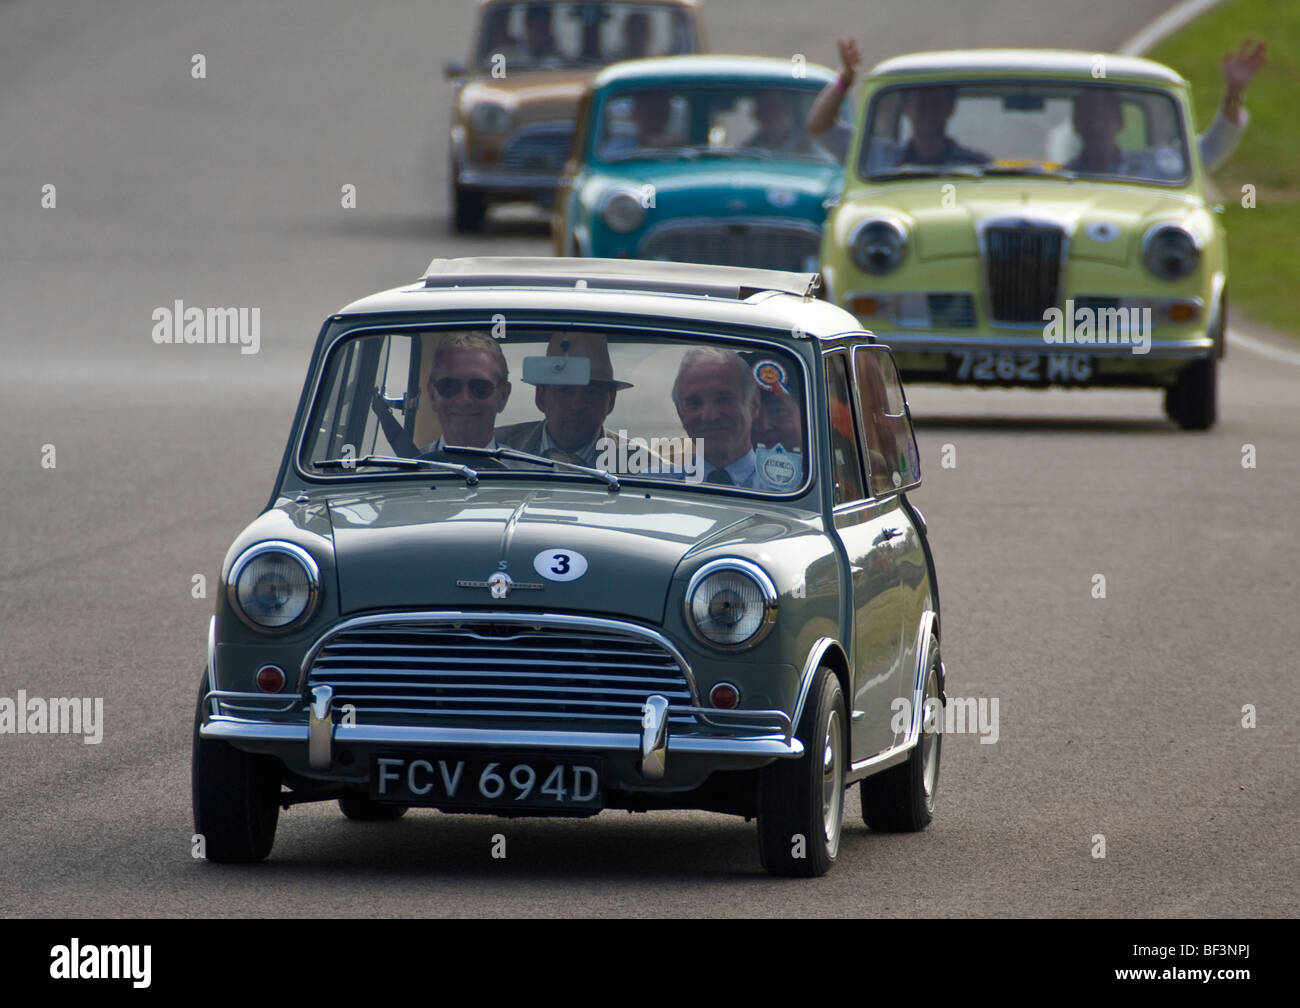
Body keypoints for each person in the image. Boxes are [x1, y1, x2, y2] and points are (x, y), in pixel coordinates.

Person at [495, 333, 639, 468]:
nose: (576, 405)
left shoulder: (640, 464)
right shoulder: (496, 448)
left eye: (591, 392)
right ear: (540, 396)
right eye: (564, 390)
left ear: (611, 401)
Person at [672, 348, 783, 490]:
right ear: (681, 414)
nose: (709, 416)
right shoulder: (654, 490)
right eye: (695, 404)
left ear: (754, 405)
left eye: (723, 400)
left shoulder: (791, 491)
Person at [421, 333, 512, 455]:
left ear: (503, 396)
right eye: (449, 386)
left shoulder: (530, 472)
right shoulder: (402, 471)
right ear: (432, 395)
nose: (464, 399)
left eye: (480, 387)